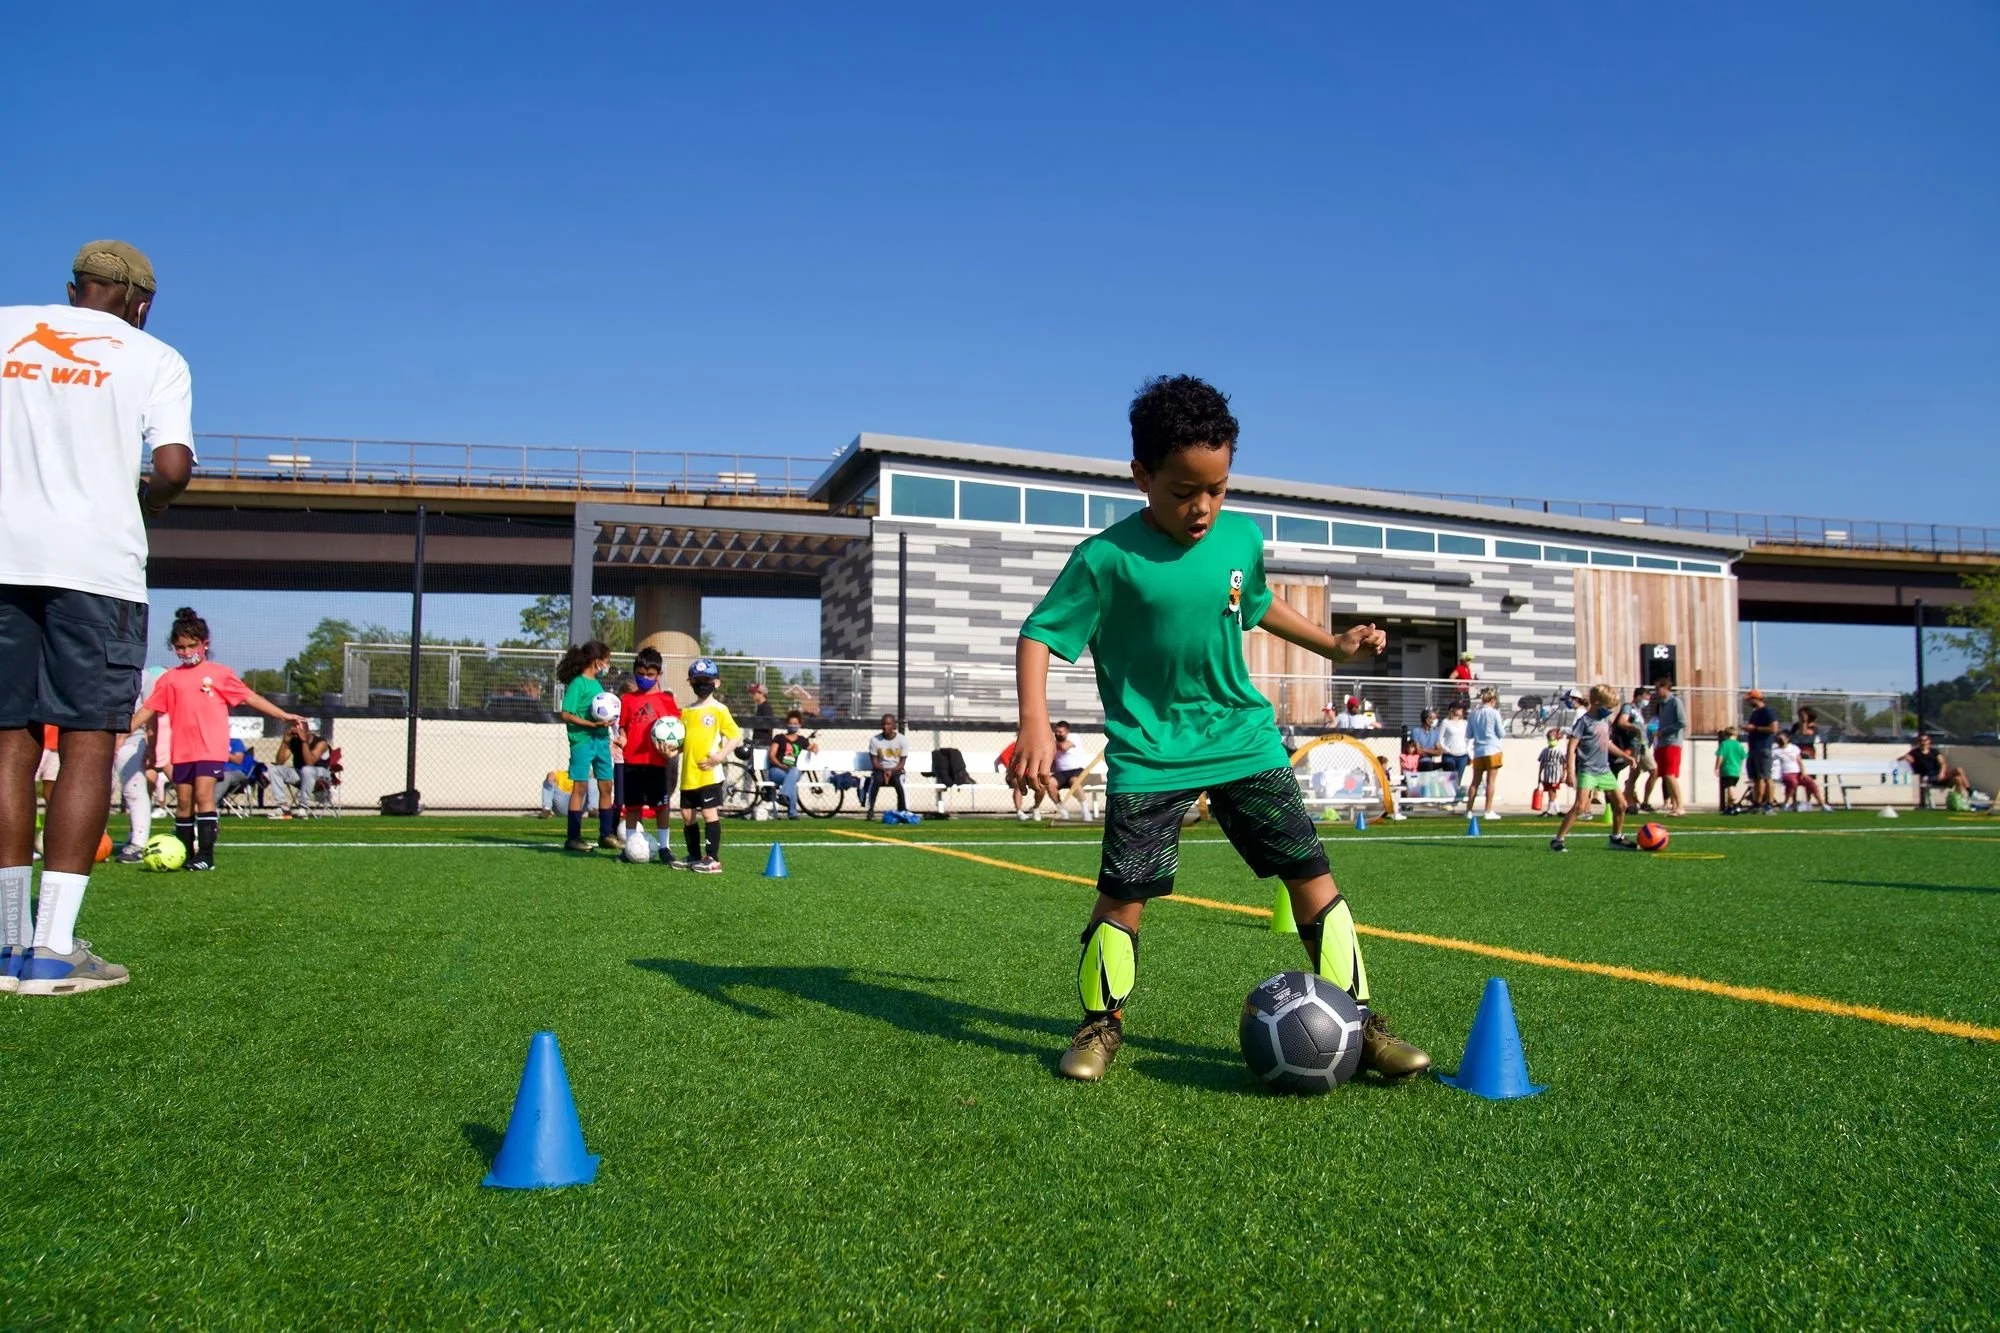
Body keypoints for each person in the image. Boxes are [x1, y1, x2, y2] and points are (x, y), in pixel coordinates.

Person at [1009, 374, 1427, 1083]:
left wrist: (1335, 646)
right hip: (1151, 753)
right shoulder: (1105, 559)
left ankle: (1358, 1024)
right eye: (1182, 491)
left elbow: (1256, 603)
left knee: (1312, 876)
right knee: (1123, 896)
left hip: (1244, 740)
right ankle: (1099, 1025)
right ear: (1141, 475)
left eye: (1219, 488)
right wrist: (1035, 724)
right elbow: (1039, 634)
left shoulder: (1240, 537)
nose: (1202, 507)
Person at [1, 241, 193, 995]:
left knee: (8, 741)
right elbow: (173, 467)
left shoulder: (8, 327)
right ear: (139, 302)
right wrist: (140, 504)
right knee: (86, 739)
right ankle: (51, 951)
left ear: (72, 289)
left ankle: (7, 940)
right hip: (95, 569)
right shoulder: (153, 355)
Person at [126, 608, 304, 870]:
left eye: (191, 646)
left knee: (203, 796)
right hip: (182, 750)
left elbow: (249, 697)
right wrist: (125, 729)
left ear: (205, 644)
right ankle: (185, 854)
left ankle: (206, 856)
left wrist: (283, 714)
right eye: (180, 647)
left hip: (209, 748)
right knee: (184, 801)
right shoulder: (170, 679)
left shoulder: (219, 673)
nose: (186, 652)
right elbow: (149, 708)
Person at [1550, 684, 1639, 852]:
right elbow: (1571, 748)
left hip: (1604, 770)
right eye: (1608, 707)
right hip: (1588, 770)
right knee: (1580, 806)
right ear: (1596, 703)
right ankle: (1558, 839)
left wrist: (1625, 756)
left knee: (1621, 805)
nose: (1610, 711)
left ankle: (1616, 838)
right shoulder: (1584, 722)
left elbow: (1607, 743)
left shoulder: (1604, 720)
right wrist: (1570, 773)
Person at [616, 647, 681, 863]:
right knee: (633, 806)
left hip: (658, 763)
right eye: (641, 674)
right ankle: (631, 847)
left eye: (650, 675)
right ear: (634, 671)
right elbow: (623, 728)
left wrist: (673, 749)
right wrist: (622, 739)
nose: (645, 678)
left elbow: (678, 731)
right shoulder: (627, 699)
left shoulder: (667, 701)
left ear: (659, 675)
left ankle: (664, 847)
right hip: (633, 761)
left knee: (661, 806)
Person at [555, 640, 618, 853]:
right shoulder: (578, 683)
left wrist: (610, 728)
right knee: (580, 787)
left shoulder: (598, 685)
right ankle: (573, 837)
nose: (608, 664)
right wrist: (591, 724)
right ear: (596, 660)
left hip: (601, 740)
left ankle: (606, 834)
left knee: (607, 786)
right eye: (606, 660)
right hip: (582, 741)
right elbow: (566, 714)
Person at [678, 657, 740, 872]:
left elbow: (734, 736)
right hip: (689, 774)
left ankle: (712, 859)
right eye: (697, 680)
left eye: (706, 680)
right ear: (690, 682)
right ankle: (694, 855)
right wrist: (672, 748)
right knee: (687, 815)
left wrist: (719, 757)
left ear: (717, 682)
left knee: (708, 813)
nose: (701, 684)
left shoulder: (719, 709)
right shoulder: (686, 711)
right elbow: (682, 741)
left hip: (709, 774)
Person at [1642, 679, 1688, 816]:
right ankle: (1674, 806)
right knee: (1664, 775)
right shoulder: (1661, 704)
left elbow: (1682, 722)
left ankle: (1680, 806)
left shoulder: (1675, 702)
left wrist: (1664, 731)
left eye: (1658, 688)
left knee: (1670, 774)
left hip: (1672, 743)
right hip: (1661, 744)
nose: (1657, 692)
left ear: (1666, 688)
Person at [1462, 686, 1507, 820]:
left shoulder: (1473, 714)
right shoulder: (1494, 713)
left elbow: (1469, 734)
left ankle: (1469, 810)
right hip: (1493, 748)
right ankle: (1488, 811)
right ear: (1493, 700)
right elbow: (1501, 733)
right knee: (1490, 781)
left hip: (1478, 750)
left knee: (1475, 781)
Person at [266, 722, 331, 814]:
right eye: (294, 733)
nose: (296, 736)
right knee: (275, 770)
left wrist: (304, 742)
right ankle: (282, 806)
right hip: (301, 775)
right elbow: (279, 762)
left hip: (320, 777)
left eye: (298, 733)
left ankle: (303, 806)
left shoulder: (321, 742)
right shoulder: (295, 742)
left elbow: (310, 762)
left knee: (307, 769)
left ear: (307, 731)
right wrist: (285, 742)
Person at [1900, 733, 1971, 808]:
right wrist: (1904, 758)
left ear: (1929, 741)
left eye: (1925, 740)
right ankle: (1969, 792)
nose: (1923, 742)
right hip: (1928, 778)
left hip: (1939, 775)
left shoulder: (1934, 752)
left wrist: (1941, 773)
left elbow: (1943, 763)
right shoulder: (1914, 752)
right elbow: (1900, 759)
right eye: (1921, 740)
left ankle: (1958, 799)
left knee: (1958, 778)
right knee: (1958, 772)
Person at [769, 712, 817, 818]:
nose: (793, 725)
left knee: (793, 772)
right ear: (786, 724)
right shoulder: (779, 738)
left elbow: (811, 747)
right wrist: (780, 765)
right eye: (790, 723)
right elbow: (772, 756)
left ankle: (783, 795)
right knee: (793, 780)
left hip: (791, 772)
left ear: (800, 725)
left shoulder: (802, 740)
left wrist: (814, 747)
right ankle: (792, 813)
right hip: (776, 770)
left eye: (795, 723)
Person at [1743, 689, 1780, 812]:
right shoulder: (1755, 713)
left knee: (1766, 776)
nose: (1749, 702)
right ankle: (1757, 803)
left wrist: (1755, 729)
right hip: (1753, 748)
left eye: (1750, 699)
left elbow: (1773, 729)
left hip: (1764, 748)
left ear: (1757, 698)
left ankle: (1769, 803)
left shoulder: (1768, 711)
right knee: (1757, 777)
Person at [1616, 687, 1654, 808]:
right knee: (1653, 770)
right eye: (1645, 698)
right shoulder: (1629, 708)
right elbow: (1622, 722)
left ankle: (1629, 801)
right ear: (1638, 696)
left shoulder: (1638, 711)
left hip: (1641, 745)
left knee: (1634, 773)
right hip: (1635, 744)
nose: (1646, 701)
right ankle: (1640, 801)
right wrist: (1635, 729)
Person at [866, 713, 910, 816]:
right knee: (875, 781)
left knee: (898, 782)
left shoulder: (902, 740)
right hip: (880, 770)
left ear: (894, 726)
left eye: (888, 724)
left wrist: (891, 771)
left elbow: (902, 763)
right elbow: (874, 762)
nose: (885, 727)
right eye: (883, 724)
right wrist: (885, 771)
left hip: (896, 770)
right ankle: (870, 810)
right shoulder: (875, 740)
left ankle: (902, 810)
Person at [1048, 720, 1089, 820]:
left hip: (1077, 770)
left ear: (1067, 731)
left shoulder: (1073, 737)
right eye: (1056, 732)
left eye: (1060, 732)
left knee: (1074, 781)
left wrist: (1050, 741)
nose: (1057, 734)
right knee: (1049, 783)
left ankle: (1085, 810)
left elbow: (1063, 747)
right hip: (1061, 772)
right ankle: (1063, 811)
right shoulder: (1054, 742)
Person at [997, 740, 1044, 821]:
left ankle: (1035, 808)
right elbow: (1003, 757)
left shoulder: (1037, 747)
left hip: (1029, 775)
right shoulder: (1015, 745)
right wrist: (1012, 769)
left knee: (1042, 786)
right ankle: (1019, 812)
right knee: (1018, 785)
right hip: (1015, 775)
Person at [1438, 700, 1471, 800]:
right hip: (1449, 755)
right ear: (1452, 709)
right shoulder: (1446, 722)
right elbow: (1440, 738)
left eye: (1462, 708)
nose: (1461, 710)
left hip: (1462, 755)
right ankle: (1447, 797)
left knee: (1458, 777)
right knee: (1450, 777)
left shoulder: (1464, 723)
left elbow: (1469, 737)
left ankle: (1454, 799)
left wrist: (1467, 749)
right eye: (1459, 708)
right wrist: (1447, 749)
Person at [1715, 726, 1748, 815]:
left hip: (1727, 769)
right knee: (1732, 786)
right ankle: (1729, 807)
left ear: (1725, 735)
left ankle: (1735, 803)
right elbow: (1743, 756)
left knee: (1730, 786)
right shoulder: (1738, 744)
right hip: (1736, 769)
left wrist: (1717, 767)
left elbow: (1720, 756)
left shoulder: (1724, 744)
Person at [1536, 728, 1565, 816]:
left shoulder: (1559, 751)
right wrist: (1539, 775)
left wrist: (1564, 774)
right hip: (1547, 774)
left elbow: (1564, 763)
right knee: (1550, 791)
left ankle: (1549, 811)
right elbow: (1542, 763)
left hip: (1555, 774)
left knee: (1552, 791)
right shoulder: (1545, 751)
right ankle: (1557, 810)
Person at [744, 681, 777, 751]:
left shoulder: (766, 707)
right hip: (758, 743)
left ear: (761, 693)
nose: (751, 695)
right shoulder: (760, 707)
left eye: (753, 693)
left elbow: (768, 726)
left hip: (763, 745)